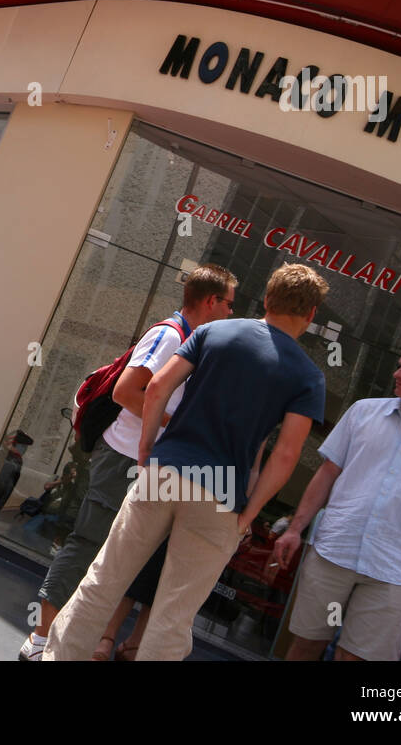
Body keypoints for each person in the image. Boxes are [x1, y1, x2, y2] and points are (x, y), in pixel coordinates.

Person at [43, 262, 328, 661]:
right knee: (174, 614)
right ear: (312, 315)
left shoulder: (214, 331)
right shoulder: (309, 377)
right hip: (221, 492)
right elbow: (285, 454)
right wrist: (248, 517)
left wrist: (146, 452)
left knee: (104, 580)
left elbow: (157, 385)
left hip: (166, 469)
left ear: (267, 298)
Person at [18, 263, 239, 660]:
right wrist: (177, 427)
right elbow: (126, 392)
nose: (230, 314)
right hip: (123, 458)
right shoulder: (170, 336)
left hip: (145, 463)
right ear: (210, 301)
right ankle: (39, 639)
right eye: (228, 305)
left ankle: (68, 643)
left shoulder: (191, 341)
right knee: (88, 545)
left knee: (113, 559)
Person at [273, 344, 401, 662]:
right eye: (399, 365)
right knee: (307, 644)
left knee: (353, 657)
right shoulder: (363, 412)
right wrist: (295, 529)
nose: (397, 374)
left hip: (392, 575)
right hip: (335, 555)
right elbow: (328, 474)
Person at [0, 430, 33, 519]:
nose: (24, 450)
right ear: (15, 444)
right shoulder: (12, 461)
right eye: (23, 446)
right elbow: (0, 487)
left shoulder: (6, 456)